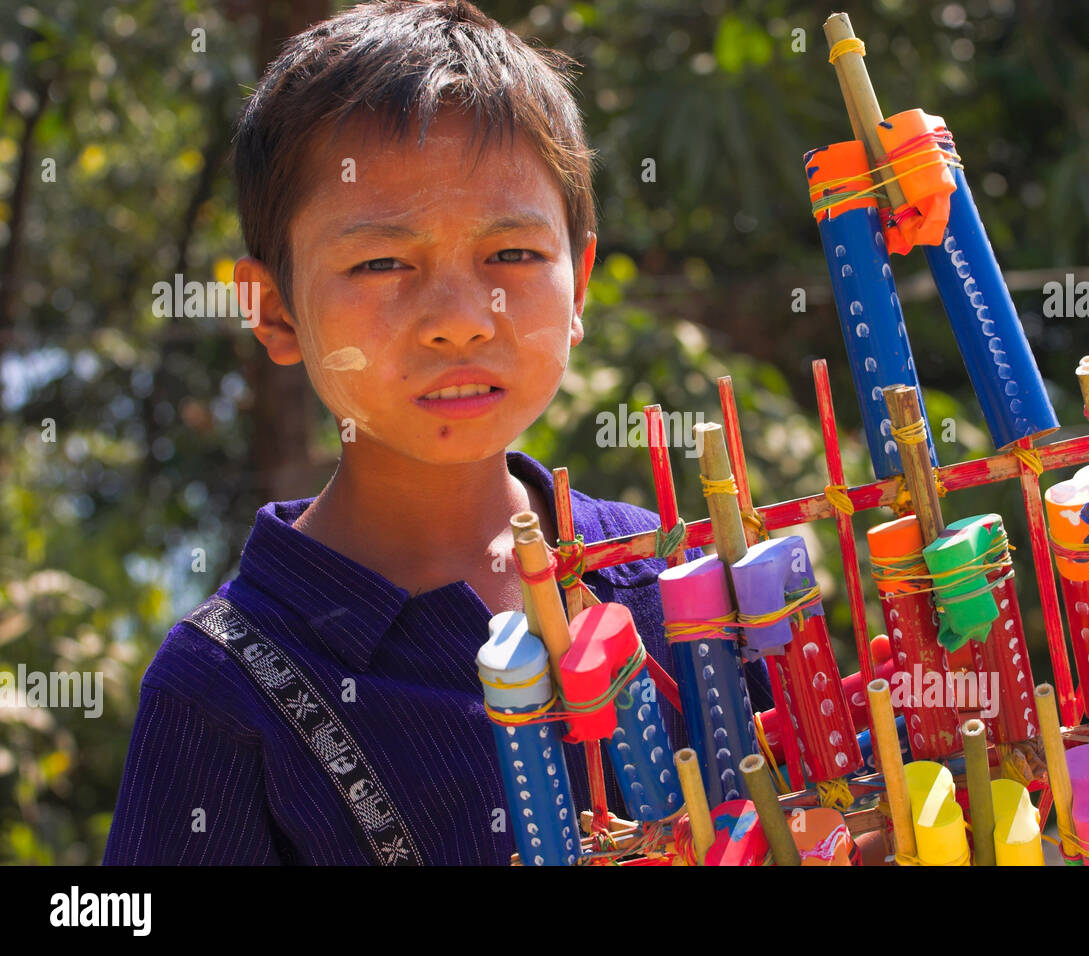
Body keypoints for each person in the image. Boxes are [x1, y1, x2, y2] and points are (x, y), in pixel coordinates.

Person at [103, 0, 772, 865]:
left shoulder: (679, 583)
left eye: (513, 255)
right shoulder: (226, 692)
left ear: (580, 286)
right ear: (273, 308)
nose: (460, 320)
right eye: (381, 263)